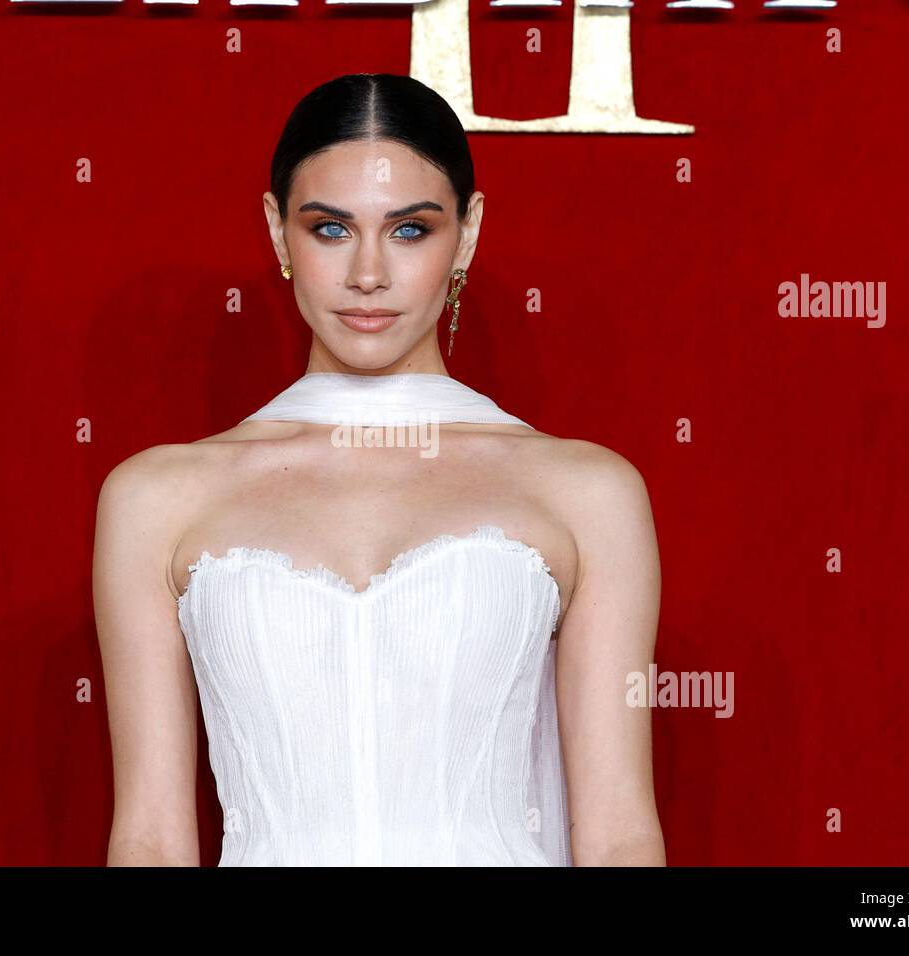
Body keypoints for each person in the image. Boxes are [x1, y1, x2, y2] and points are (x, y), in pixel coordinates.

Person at [93, 73, 663, 866]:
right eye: (329, 229)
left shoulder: (587, 493)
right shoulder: (154, 498)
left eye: (408, 231)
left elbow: (619, 836)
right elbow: (150, 838)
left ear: (466, 234)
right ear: (275, 229)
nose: (367, 273)